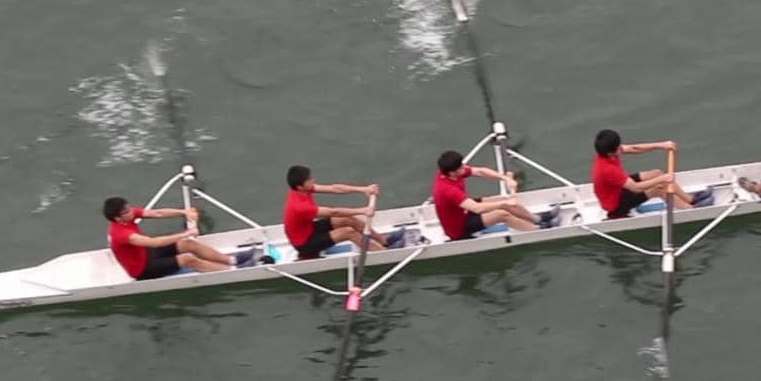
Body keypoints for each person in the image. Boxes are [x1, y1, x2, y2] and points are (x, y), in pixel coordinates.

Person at [103, 198, 255, 280]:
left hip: (145, 253)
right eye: (127, 211)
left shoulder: (127, 216)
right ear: (117, 218)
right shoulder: (122, 234)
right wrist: (186, 232)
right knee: (187, 259)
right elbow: (156, 242)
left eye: (129, 208)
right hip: (142, 269)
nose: (132, 211)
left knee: (188, 244)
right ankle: (233, 271)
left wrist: (184, 212)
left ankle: (232, 260)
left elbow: (158, 213)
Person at [432, 150, 560, 240]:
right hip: (458, 228)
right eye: (461, 167)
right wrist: (504, 204)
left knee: (503, 200)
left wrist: (506, 179)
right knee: (502, 214)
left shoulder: (453, 172)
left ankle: (538, 219)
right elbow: (477, 208)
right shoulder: (448, 190)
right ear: (452, 173)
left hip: (462, 209)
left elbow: (481, 172)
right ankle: (538, 230)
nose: (464, 167)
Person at [284, 165, 403, 259]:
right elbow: (333, 212)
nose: (313, 180)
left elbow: (335, 188)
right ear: (300, 186)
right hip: (305, 244)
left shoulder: (304, 189)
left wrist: (363, 189)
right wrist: (363, 211)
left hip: (308, 229)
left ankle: (385, 241)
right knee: (348, 232)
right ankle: (382, 253)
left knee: (348, 219)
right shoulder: (299, 206)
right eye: (309, 180)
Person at [591, 129, 713, 218]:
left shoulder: (609, 152)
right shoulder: (608, 169)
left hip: (618, 188)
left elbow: (634, 148)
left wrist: (661, 145)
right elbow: (636, 188)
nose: (621, 148)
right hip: (616, 204)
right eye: (618, 148)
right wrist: (663, 179)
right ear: (610, 153)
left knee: (656, 173)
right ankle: (692, 210)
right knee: (658, 189)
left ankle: (691, 199)